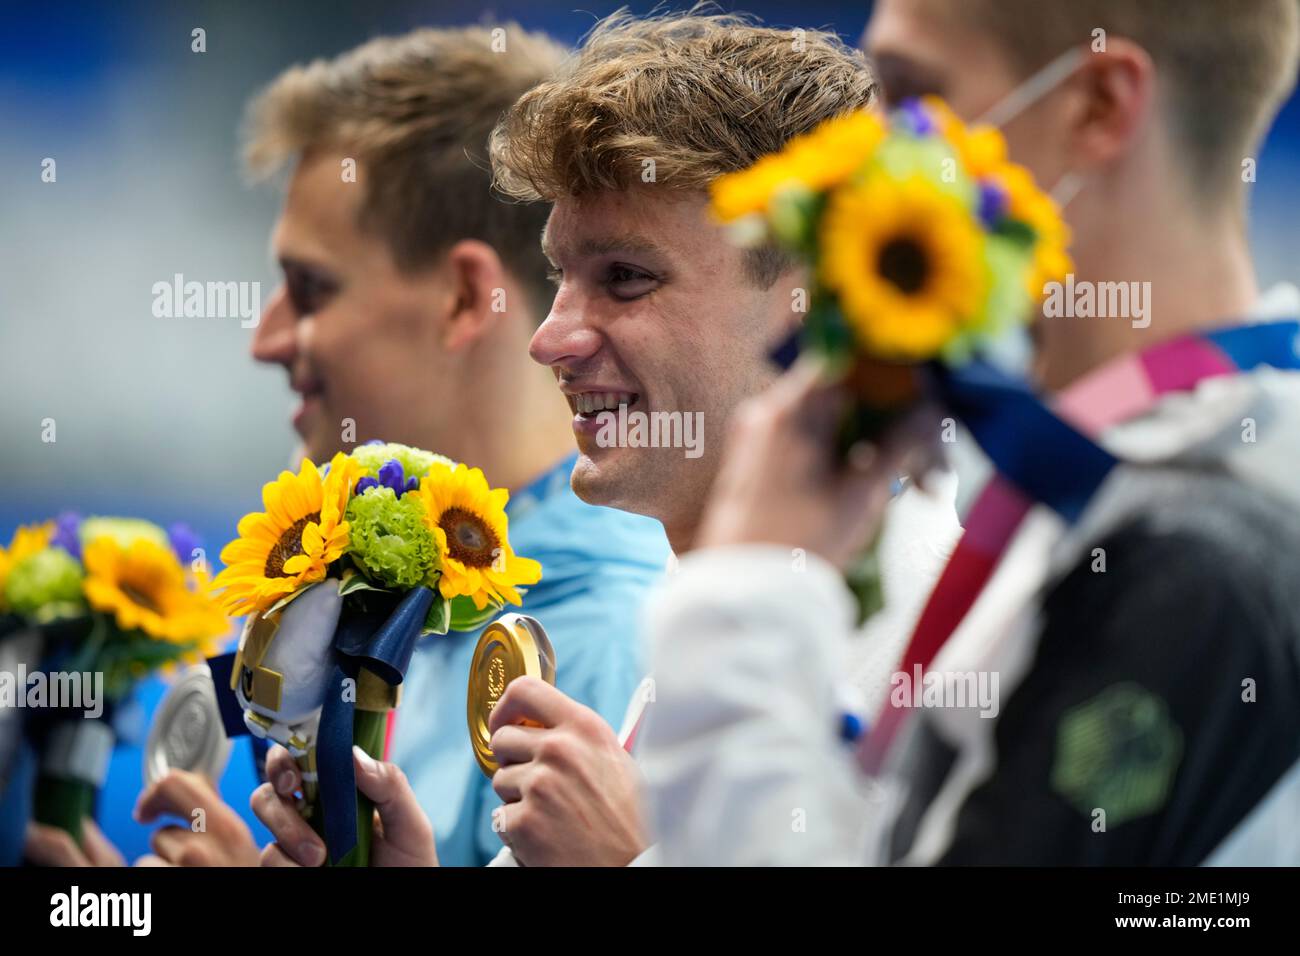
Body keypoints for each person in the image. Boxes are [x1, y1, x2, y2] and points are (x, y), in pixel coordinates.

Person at [250, 10, 961, 867]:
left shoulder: (941, 645)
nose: (549, 338)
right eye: (559, 276)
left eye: (626, 278)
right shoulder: (691, 614)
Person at [636, 0, 1300, 865]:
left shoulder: (1207, 555)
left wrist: (746, 597)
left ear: (1097, 105)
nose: (870, 149)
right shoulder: (1106, 473)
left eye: (910, 96)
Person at [23, 24, 670, 868]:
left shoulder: (611, 639)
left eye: (310, 289)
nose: (264, 338)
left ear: (463, 299)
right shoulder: (371, 603)